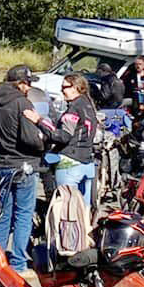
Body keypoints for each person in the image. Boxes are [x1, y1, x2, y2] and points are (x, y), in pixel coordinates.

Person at [0, 65, 50, 273]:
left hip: (4, 163)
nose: (29, 87)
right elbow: (30, 138)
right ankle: (18, 263)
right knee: (23, 215)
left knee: (4, 215)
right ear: (20, 83)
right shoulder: (22, 103)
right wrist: (44, 142)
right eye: (28, 83)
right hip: (24, 165)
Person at [49, 74, 101, 205]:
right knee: (83, 209)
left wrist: (42, 124)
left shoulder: (74, 108)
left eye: (64, 87)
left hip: (70, 163)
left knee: (66, 209)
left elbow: (64, 136)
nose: (62, 91)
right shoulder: (89, 105)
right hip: (87, 162)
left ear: (76, 88)